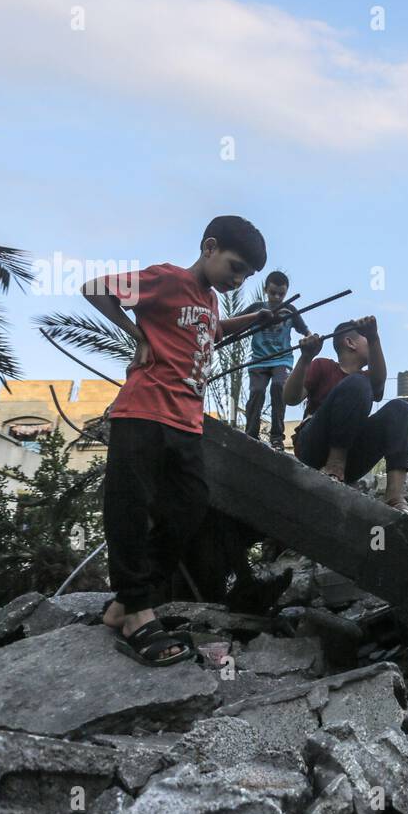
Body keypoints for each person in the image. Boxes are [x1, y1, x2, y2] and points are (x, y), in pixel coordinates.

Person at [83, 215, 272, 665]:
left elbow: (213, 332)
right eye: (236, 266)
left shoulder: (210, 301)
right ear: (209, 248)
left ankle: (125, 604)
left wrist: (254, 318)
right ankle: (137, 611)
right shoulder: (167, 280)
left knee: (189, 506)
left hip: (187, 422)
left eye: (246, 274)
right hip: (143, 412)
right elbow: (96, 289)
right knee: (130, 505)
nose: (238, 278)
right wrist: (136, 335)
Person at [283, 315, 408, 509]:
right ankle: (334, 467)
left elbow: (378, 382)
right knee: (357, 383)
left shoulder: (367, 378)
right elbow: (291, 398)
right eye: (365, 340)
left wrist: (373, 337)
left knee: (401, 409)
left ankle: (394, 496)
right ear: (350, 342)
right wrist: (305, 357)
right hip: (313, 448)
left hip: (352, 460)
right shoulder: (323, 366)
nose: (370, 345)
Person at [235, 270, 308, 450]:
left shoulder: (289, 309)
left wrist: (310, 338)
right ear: (266, 290)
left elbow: (304, 330)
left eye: (281, 294)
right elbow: (236, 323)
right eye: (273, 292)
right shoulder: (257, 308)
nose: (276, 297)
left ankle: (277, 437)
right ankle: (250, 434)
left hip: (282, 360)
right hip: (259, 360)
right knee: (257, 391)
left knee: (278, 388)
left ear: (286, 292)